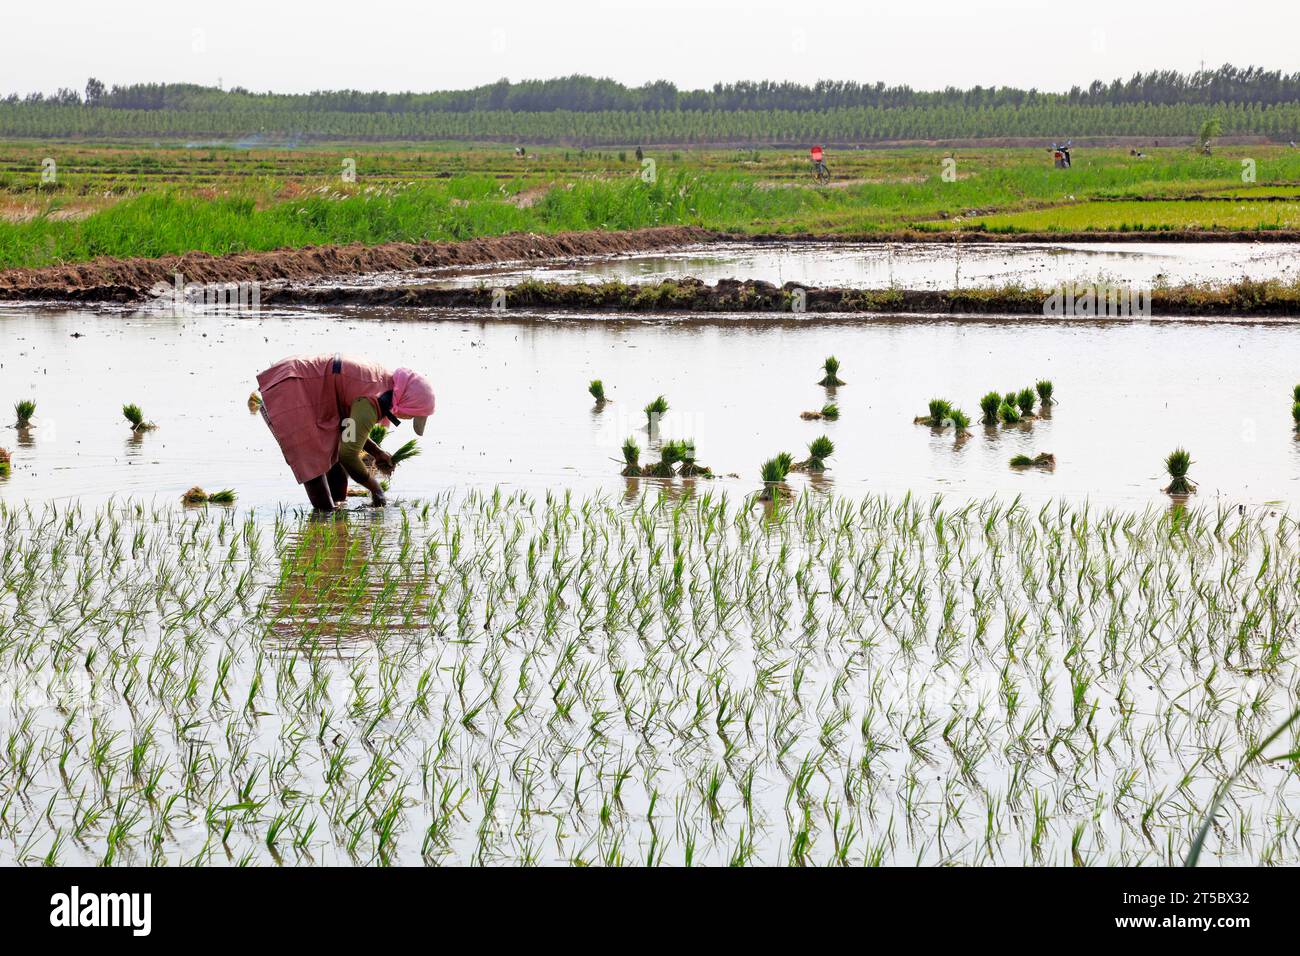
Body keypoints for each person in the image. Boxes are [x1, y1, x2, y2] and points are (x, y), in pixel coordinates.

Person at [256, 352, 435, 511]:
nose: (409, 419)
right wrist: (376, 490)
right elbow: (348, 455)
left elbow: (349, 430)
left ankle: (337, 511)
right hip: (291, 389)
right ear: (407, 401)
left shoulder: (382, 385)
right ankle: (326, 522)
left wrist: (377, 452)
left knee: (335, 469)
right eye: (413, 415)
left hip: (294, 381)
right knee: (313, 466)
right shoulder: (373, 400)